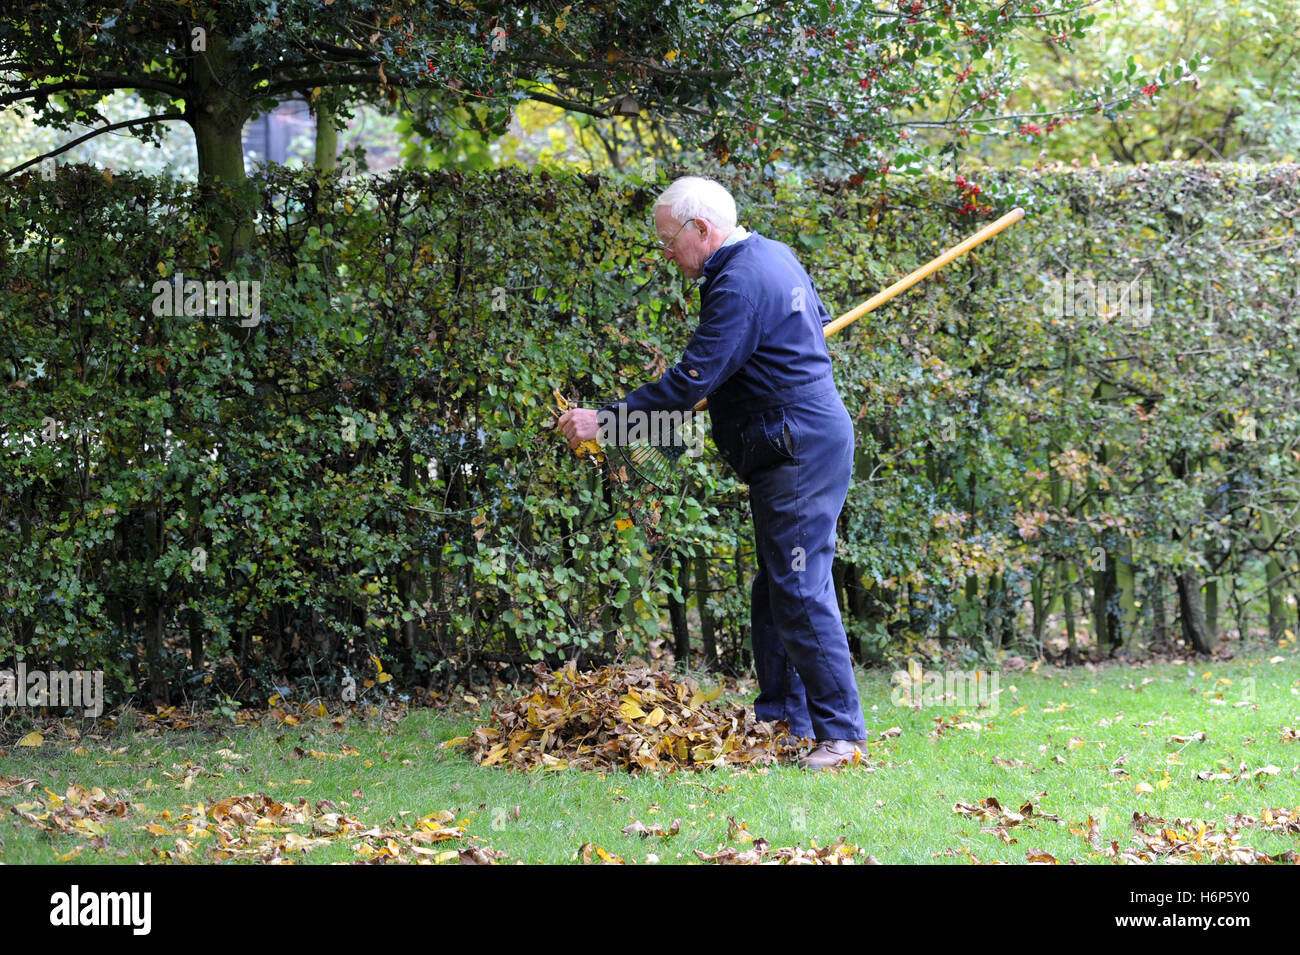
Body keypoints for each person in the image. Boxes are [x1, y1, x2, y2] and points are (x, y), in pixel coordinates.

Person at [557, 175, 868, 770]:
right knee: (780, 584)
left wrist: (606, 422)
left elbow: (693, 381)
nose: (667, 253)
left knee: (799, 584)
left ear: (702, 229)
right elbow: (809, 322)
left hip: (796, 447)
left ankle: (843, 736)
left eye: (669, 240)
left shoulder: (742, 282)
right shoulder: (772, 257)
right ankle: (785, 721)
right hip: (797, 439)